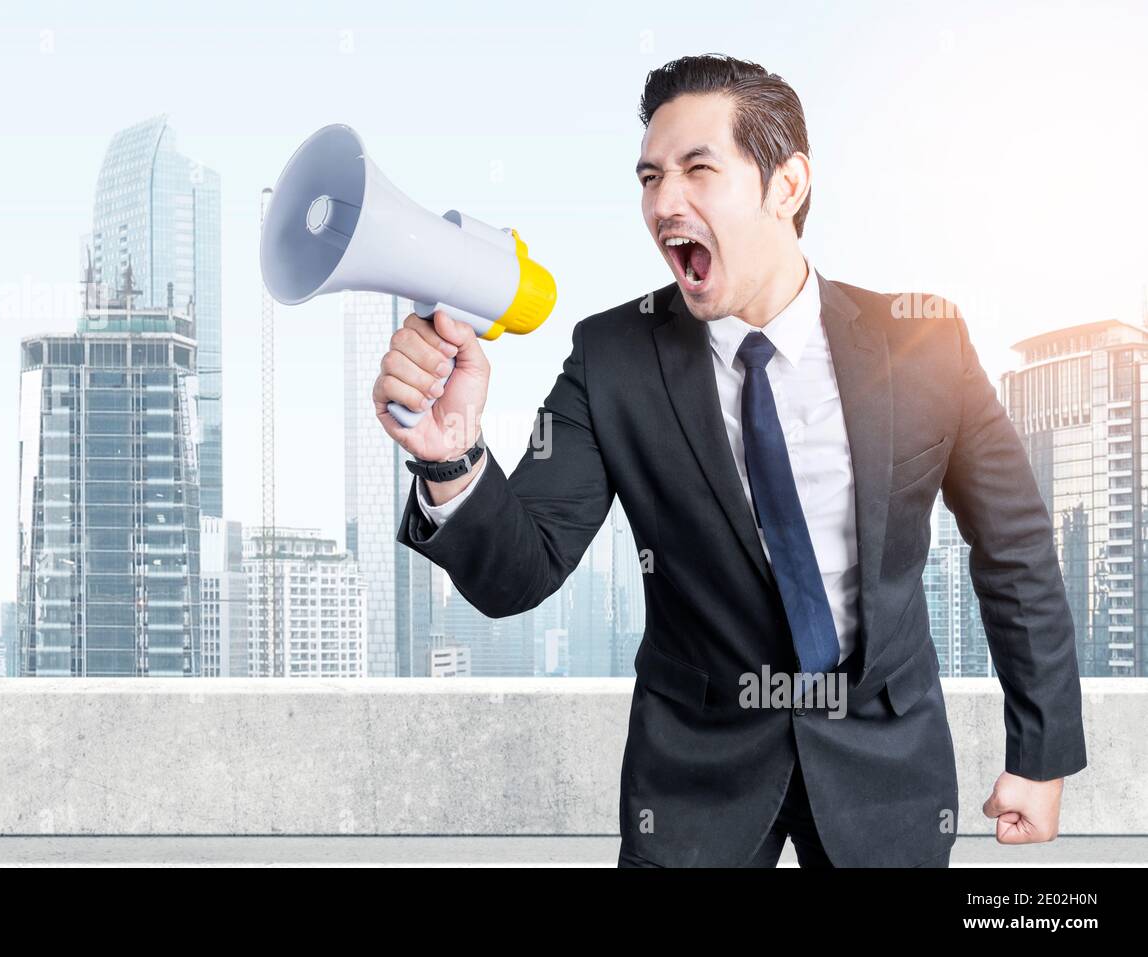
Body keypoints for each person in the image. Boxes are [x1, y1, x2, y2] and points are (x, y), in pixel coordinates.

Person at [372, 53, 1087, 867]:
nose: (662, 203)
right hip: (691, 778)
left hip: (887, 768)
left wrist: (1040, 751)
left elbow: (1016, 547)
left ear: (787, 185)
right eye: (648, 177)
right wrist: (451, 455)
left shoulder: (923, 343)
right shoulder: (611, 357)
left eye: (697, 169)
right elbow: (519, 572)